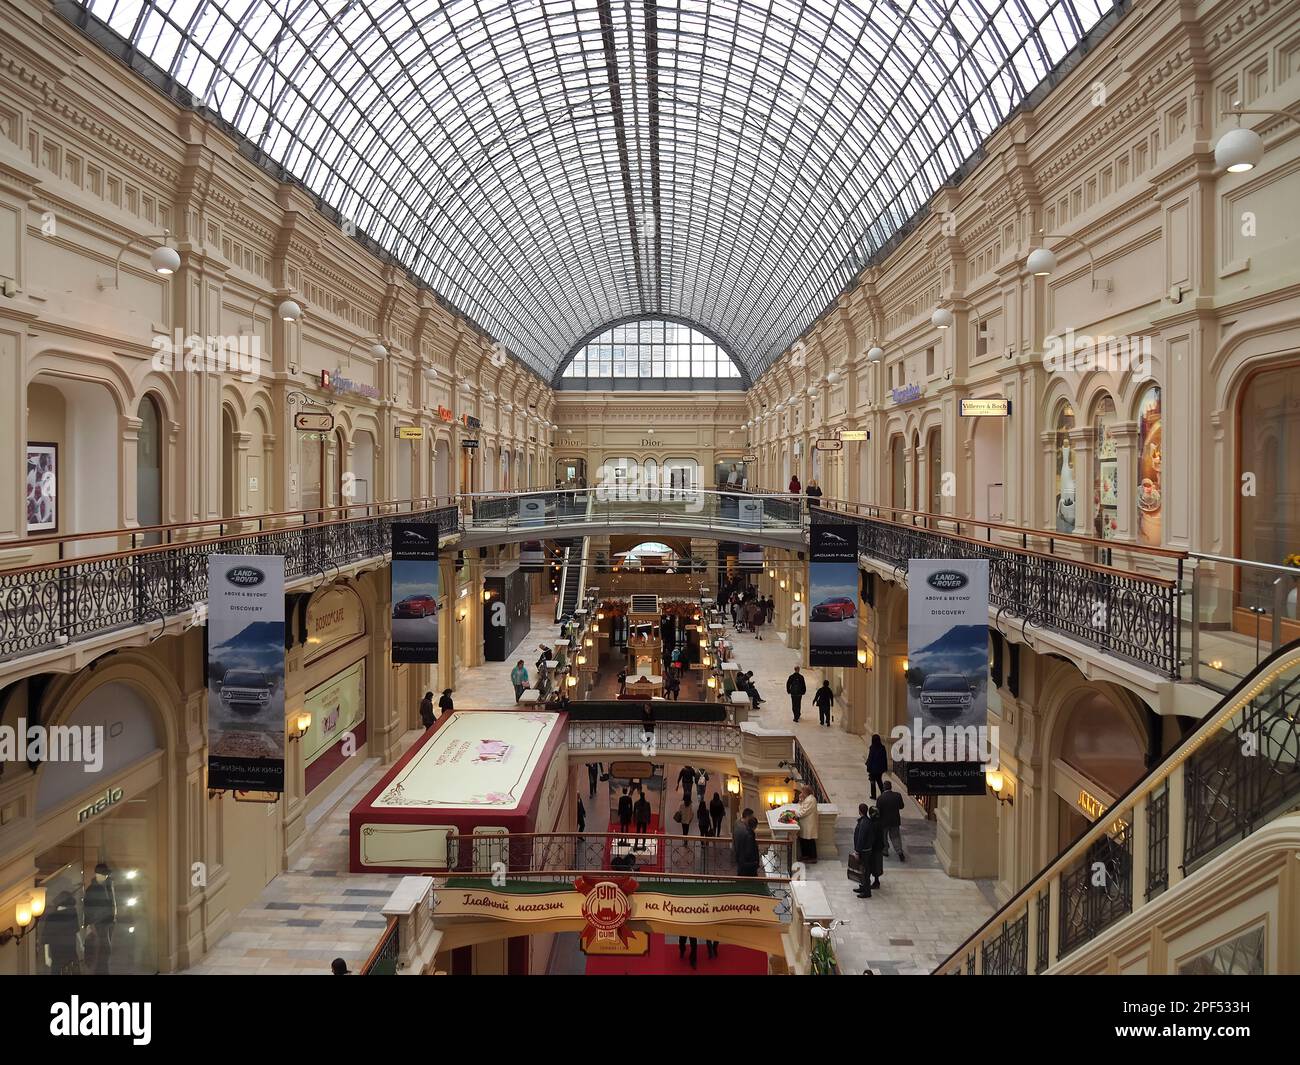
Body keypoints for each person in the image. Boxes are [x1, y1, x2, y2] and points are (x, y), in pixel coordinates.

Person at [83, 862, 117, 974]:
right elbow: (88, 909)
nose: (106, 877)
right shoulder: (92, 890)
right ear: (98, 875)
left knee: (104, 951)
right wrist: (91, 925)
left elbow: (111, 903)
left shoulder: (107, 885)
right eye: (104, 874)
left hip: (107, 922)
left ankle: (102, 971)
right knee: (102, 950)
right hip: (98, 923)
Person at [877, 780, 906, 861]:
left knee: (884, 837)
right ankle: (899, 852)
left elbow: (878, 811)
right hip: (895, 820)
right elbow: (901, 806)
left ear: (884, 787)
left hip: (884, 822)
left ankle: (885, 850)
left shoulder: (880, 798)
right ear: (891, 787)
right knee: (896, 836)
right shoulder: (897, 795)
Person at [853, 803, 876, 898]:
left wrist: (857, 851)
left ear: (860, 811)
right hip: (866, 850)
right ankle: (862, 886)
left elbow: (861, 838)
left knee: (865, 871)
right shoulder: (867, 821)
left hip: (864, 851)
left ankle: (867, 892)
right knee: (862, 870)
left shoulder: (864, 823)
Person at [794, 785, 819, 864]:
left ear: (806, 792)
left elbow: (803, 812)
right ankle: (805, 856)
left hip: (809, 824)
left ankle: (812, 857)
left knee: (809, 840)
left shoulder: (810, 800)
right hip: (805, 824)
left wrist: (795, 813)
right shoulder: (808, 799)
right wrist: (801, 799)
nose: (802, 793)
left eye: (802, 791)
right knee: (804, 840)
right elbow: (802, 807)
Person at [866, 734, 888, 799]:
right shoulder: (882, 748)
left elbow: (870, 758)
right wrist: (885, 768)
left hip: (873, 769)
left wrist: (868, 767)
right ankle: (883, 793)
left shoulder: (872, 747)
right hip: (880, 769)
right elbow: (884, 759)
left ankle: (873, 795)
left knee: (872, 782)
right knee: (879, 781)